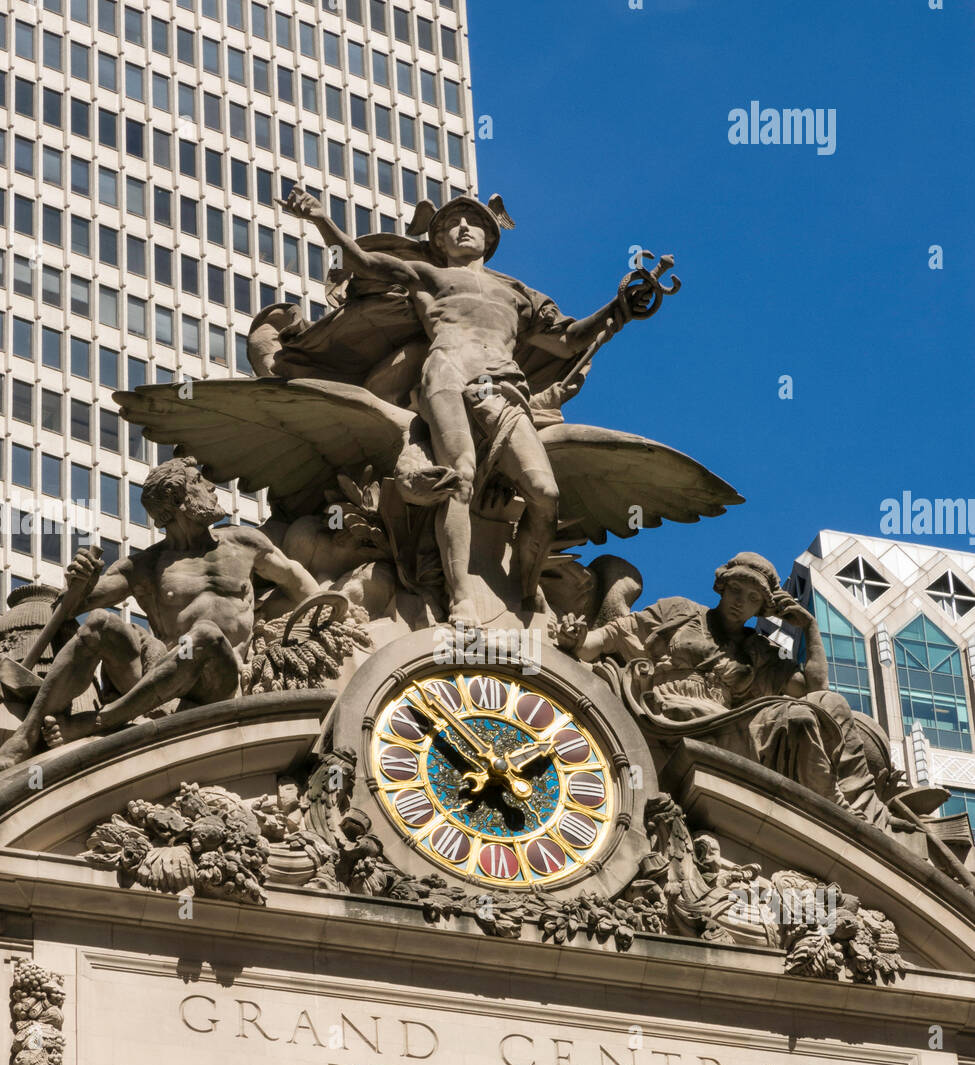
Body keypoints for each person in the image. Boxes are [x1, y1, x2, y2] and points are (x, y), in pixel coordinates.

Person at [279, 187, 641, 622]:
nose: (464, 228)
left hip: (504, 387)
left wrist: (616, 310)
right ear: (438, 240)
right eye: (453, 223)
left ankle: (525, 591)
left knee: (544, 493)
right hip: (447, 372)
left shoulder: (519, 293)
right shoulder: (428, 277)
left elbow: (566, 341)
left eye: (474, 223)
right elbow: (364, 262)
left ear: (490, 238)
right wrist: (321, 219)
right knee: (459, 477)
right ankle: (461, 598)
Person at [0, 458, 321, 769]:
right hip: (159, 676)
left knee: (205, 634)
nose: (212, 487)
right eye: (198, 481)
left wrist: (324, 615)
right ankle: (26, 737)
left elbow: (297, 581)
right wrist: (79, 581)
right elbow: (70, 609)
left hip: (218, 682)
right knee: (98, 625)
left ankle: (98, 720)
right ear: (179, 501)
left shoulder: (243, 542)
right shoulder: (146, 566)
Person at [553, 551, 894, 827]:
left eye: (752, 598)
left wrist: (810, 628)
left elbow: (816, 690)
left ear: (762, 607)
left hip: (728, 725)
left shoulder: (758, 650)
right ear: (722, 586)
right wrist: (578, 639)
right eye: (736, 591)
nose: (739, 603)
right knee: (803, 719)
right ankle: (834, 808)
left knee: (828, 705)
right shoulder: (679, 611)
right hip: (671, 712)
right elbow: (608, 637)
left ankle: (855, 811)